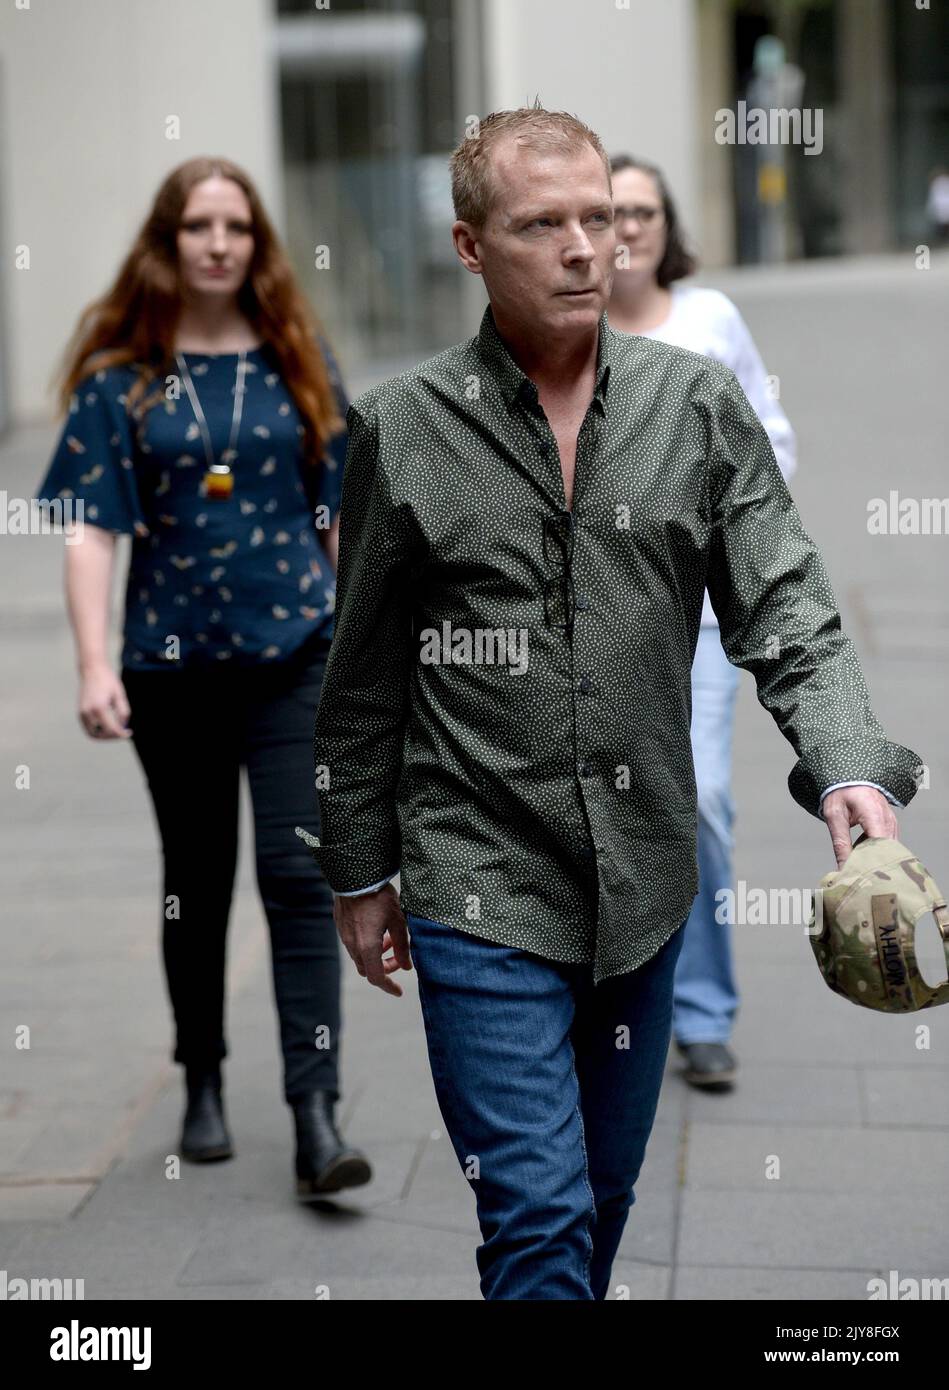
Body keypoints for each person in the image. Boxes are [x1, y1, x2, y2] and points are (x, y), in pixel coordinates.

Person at [297, 105, 921, 1300]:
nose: (587, 246)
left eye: (599, 217)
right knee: (536, 1218)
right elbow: (363, 672)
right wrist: (358, 869)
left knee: (601, 1201)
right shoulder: (401, 427)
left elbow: (783, 598)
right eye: (544, 225)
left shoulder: (693, 406)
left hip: (643, 880)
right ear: (472, 247)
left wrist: (845, 761)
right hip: (476, 876)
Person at [33, 156, 371, 1201]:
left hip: (294, 657)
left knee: (300, 876)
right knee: (197, 884)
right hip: (169, 668)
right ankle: (203, 1081)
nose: (217, 242)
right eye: (196, 226)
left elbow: (337, 515)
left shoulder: (299, 362)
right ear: (168, 243)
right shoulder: (120, 382)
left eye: (234, 225)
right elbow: (93, 533)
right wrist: (93, 665)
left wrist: (362, 649)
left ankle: (315, 1111)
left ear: (256, 243)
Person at [606, 153, 798, 1091]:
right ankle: (611, 987)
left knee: (704, 800)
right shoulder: (570, 326)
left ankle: (702, 1011)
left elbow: (774, 439)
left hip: (706, 616)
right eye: (612, 212)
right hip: (602, 620)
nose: (627, 228)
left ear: (664, 223)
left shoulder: (709, 321)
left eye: (643, 211)